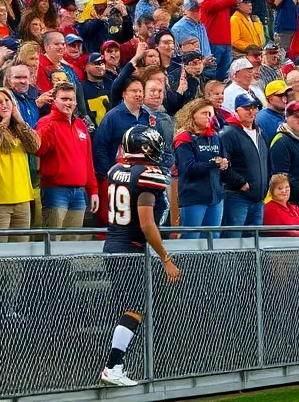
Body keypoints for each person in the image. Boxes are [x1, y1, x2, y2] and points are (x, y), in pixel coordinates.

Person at [100, 126, 180, 387]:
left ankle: (118, 364)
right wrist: (165, 258)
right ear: (146, 148)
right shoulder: (148, 175)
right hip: (130, 248)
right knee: (134, 309)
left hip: (113, 244)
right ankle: (113, 366)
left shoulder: (116, 171)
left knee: (131, 307)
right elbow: (147, 224)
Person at [36, 81, 98, 236]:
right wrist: (50, 125)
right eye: (64, 99)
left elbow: (88, 160)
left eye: (71, 99)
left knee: (71, 245)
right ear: (54, 100)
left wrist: (94, 190)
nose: (68, 103)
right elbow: (39, 150)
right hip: (55, 191)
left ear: (76, 102)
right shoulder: (45, 122)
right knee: (52, 242)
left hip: (79, 192)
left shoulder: (81, 125)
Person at [0, 86, 40, 240]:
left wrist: (19, 120)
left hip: (23, 197)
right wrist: (4, 122)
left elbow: (35, 146)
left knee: (21, 252)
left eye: (7, 100)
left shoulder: (19, 127)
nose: (4, 105)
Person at [173, 97, 229, 232]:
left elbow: (221, 158)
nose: (209, 117)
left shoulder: (215, 137)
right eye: (205, 113)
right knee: (192, 242)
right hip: (194, 198)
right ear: (193, 115)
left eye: (211, 114)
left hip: (215, 198)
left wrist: (224, 163)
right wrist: (213, 164)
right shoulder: (184, 138)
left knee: (212, 242)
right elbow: (188, 168)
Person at [219, 94, 268, 234]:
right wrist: (240, 183)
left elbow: (266, 161)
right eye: (246, 108)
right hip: (237, 197)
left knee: (254, 245)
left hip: (259, 199)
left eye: (254, 107)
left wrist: (266, 184)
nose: (251, 111)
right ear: (236, 110)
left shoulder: (261, 133)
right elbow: (222, 165)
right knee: (233, 243)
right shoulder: (228, 133)